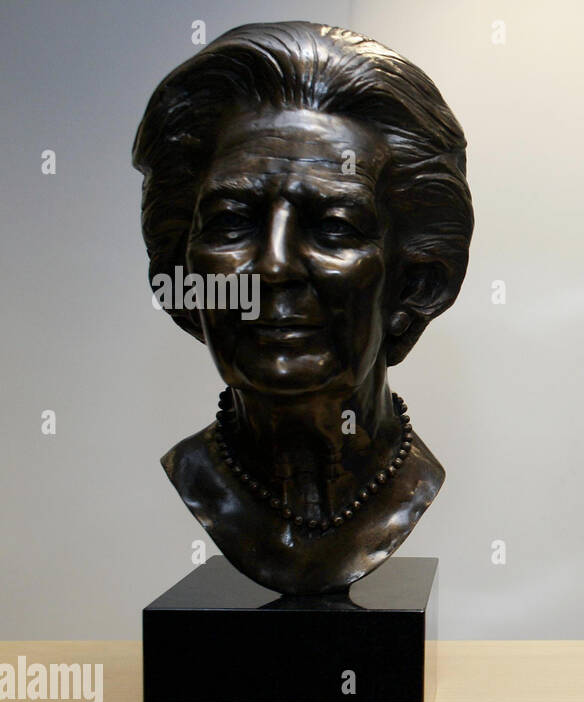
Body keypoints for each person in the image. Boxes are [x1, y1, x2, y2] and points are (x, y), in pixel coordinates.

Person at [132, 22, 473, 594]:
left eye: (336, 226)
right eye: (231, 222)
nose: (274, 267)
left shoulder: (411, 483)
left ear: (415, 285)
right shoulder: (194, 475)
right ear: (184, 282)